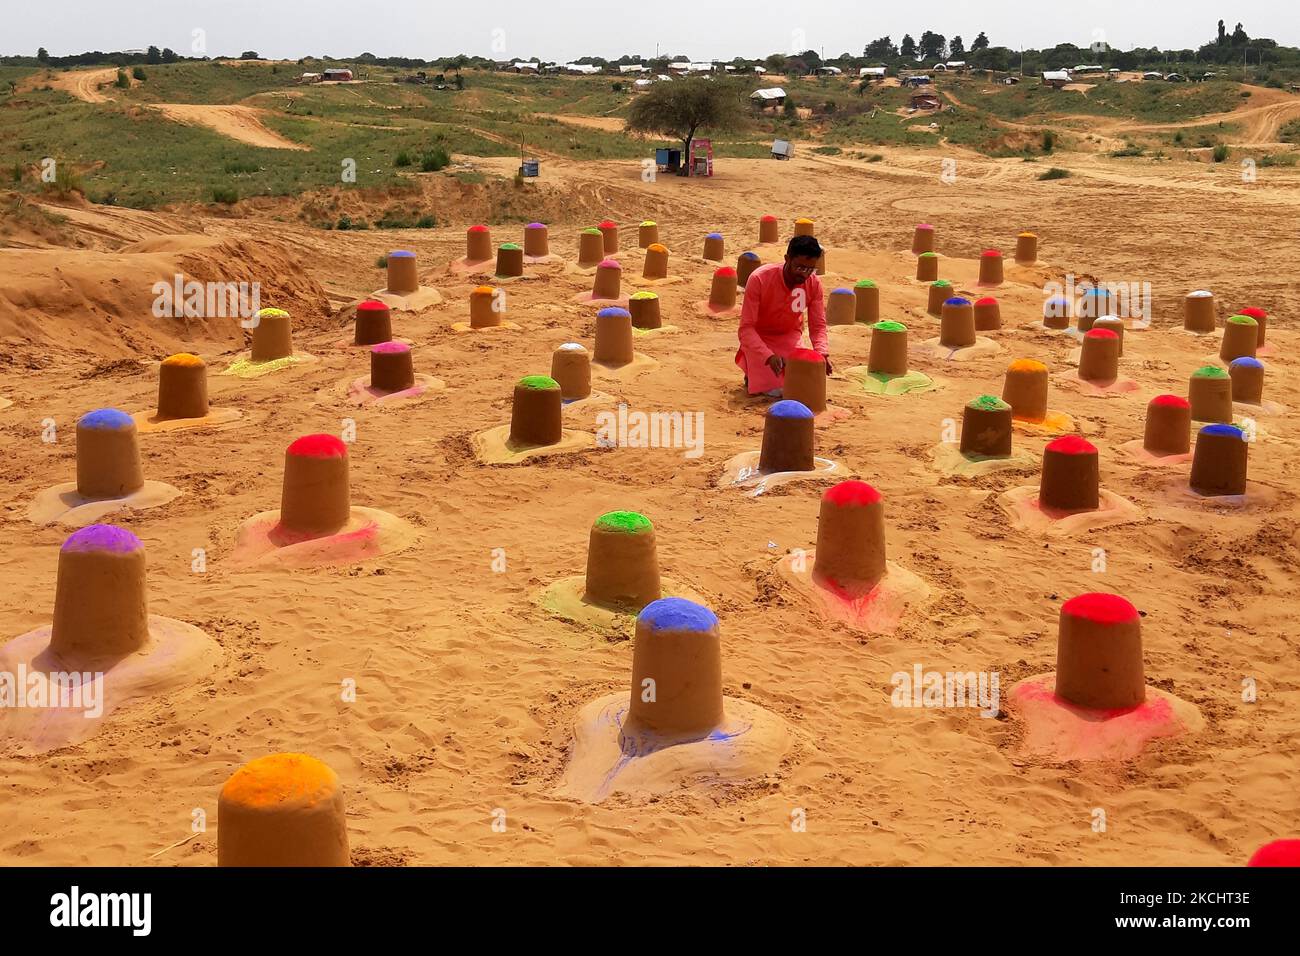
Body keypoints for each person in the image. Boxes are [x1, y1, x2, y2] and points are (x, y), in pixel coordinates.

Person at [735, 235, 831, 397]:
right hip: (760, 340)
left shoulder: (813, 284)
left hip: (790, 339)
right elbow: (746, 329)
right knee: (775, 390)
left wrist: (822, 353)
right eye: (800, 267)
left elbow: (818, 326)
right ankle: (752, 371)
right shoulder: (759, 279)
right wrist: (768, 356)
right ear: (787, 259)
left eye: (810, 269)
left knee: (800, 386)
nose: (804, 275)